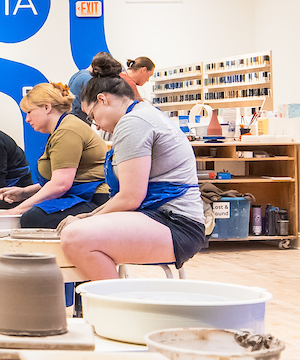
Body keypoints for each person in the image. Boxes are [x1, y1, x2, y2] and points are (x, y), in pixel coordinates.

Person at [61, 52, 204, 278]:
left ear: (102, 99)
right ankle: (112, 300)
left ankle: (117, 307)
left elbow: (130, 197)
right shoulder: (142, 114)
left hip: (176, 225)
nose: (95, 124)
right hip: (167, 219)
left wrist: (89, 218)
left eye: (92, 115)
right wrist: (90, 217)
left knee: (75, 237)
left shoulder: (133, 123)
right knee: (78, 229)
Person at [0, 81, 109, 228]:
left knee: (32, 218)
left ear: (46, 107)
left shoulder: (67, 131)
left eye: (29, 112)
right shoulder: (63, 128)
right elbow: (61, 180)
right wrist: (25, 192)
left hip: (95, 198)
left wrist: (17, 210)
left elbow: (61, 184)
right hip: (82, 195)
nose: (27, 119)